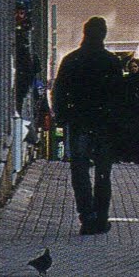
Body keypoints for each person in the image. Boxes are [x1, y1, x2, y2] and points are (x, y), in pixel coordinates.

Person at [52, 16, 125, 235]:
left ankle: (87, 216)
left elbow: (59, 91)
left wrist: (62, 116)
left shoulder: (71, 59)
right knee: (103, 172)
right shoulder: (111, 61)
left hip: (79, 121)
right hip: (104, 123)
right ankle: (101, 218)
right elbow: (119, 95)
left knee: (80, 170)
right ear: (103, 34)